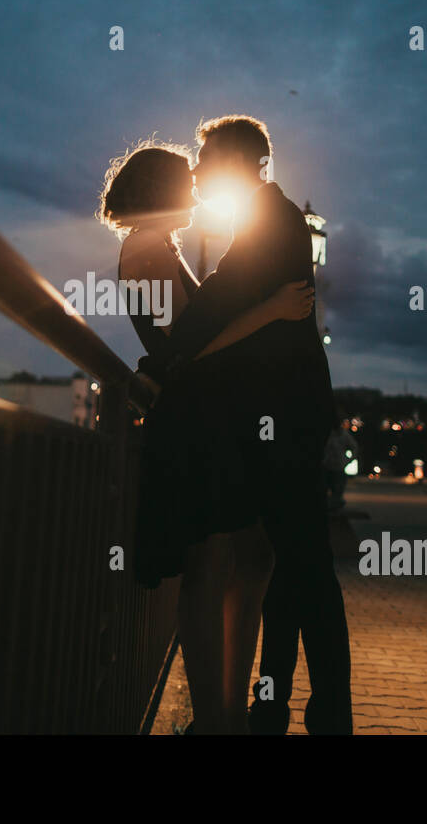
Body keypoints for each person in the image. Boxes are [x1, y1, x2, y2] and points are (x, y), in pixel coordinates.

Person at [137, 115, 353, 735]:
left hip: (283, 421)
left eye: (205, 160)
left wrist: (169, 359)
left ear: (233, 162)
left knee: (304, 563)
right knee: (289, 561)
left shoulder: (270, 221)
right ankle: (280, 705)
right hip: (280, 419)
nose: (199, 171)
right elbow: (227, 302)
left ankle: (326, 713)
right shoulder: (267, 218)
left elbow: (215, 306)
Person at [98, 140, 314, 734]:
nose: (197, 189)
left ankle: (222, 715)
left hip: (207, 420)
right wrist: (270, 311)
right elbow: (179, 350)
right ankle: (218, 720)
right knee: (213, 566)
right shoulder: (145, 251)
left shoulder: (157, 248)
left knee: (244, 558)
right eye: (187, 182)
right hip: (195, 425)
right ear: (161, 192)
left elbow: (187, 340)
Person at [322, 420, 358, 515]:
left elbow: (354, 448)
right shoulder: (329, 435)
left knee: (337, 493)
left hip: (338, 468)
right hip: (327, 467)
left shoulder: (344, 435)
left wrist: (346, 461)